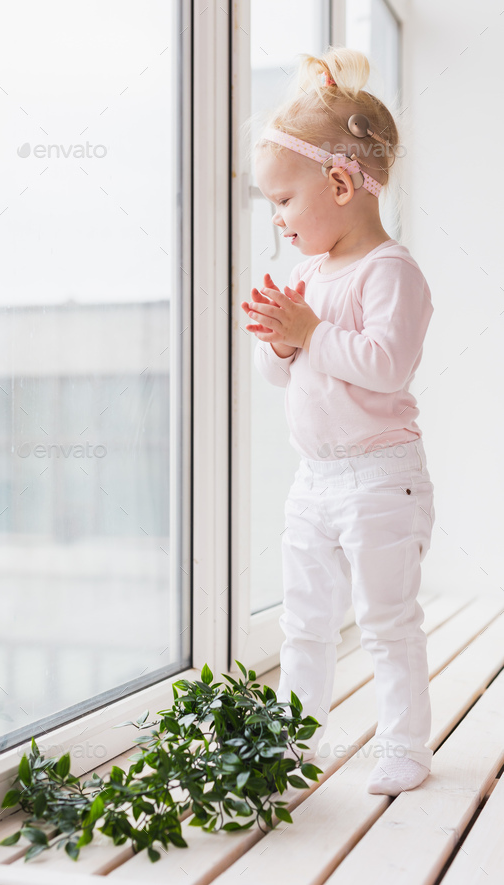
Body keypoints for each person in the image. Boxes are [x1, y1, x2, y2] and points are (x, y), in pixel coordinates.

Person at [241, 47, 436, 796]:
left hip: (381, 478)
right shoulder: (306, 277)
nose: (279, 220)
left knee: (387, 618)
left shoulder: (391, 272)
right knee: (305, 620)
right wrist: (284, 340)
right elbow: (279, 372)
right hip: (314, 477)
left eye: (284, 201)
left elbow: (386, 364)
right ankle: (297, 739)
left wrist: (312, 332)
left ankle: (405, 743)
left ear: (341, 182)